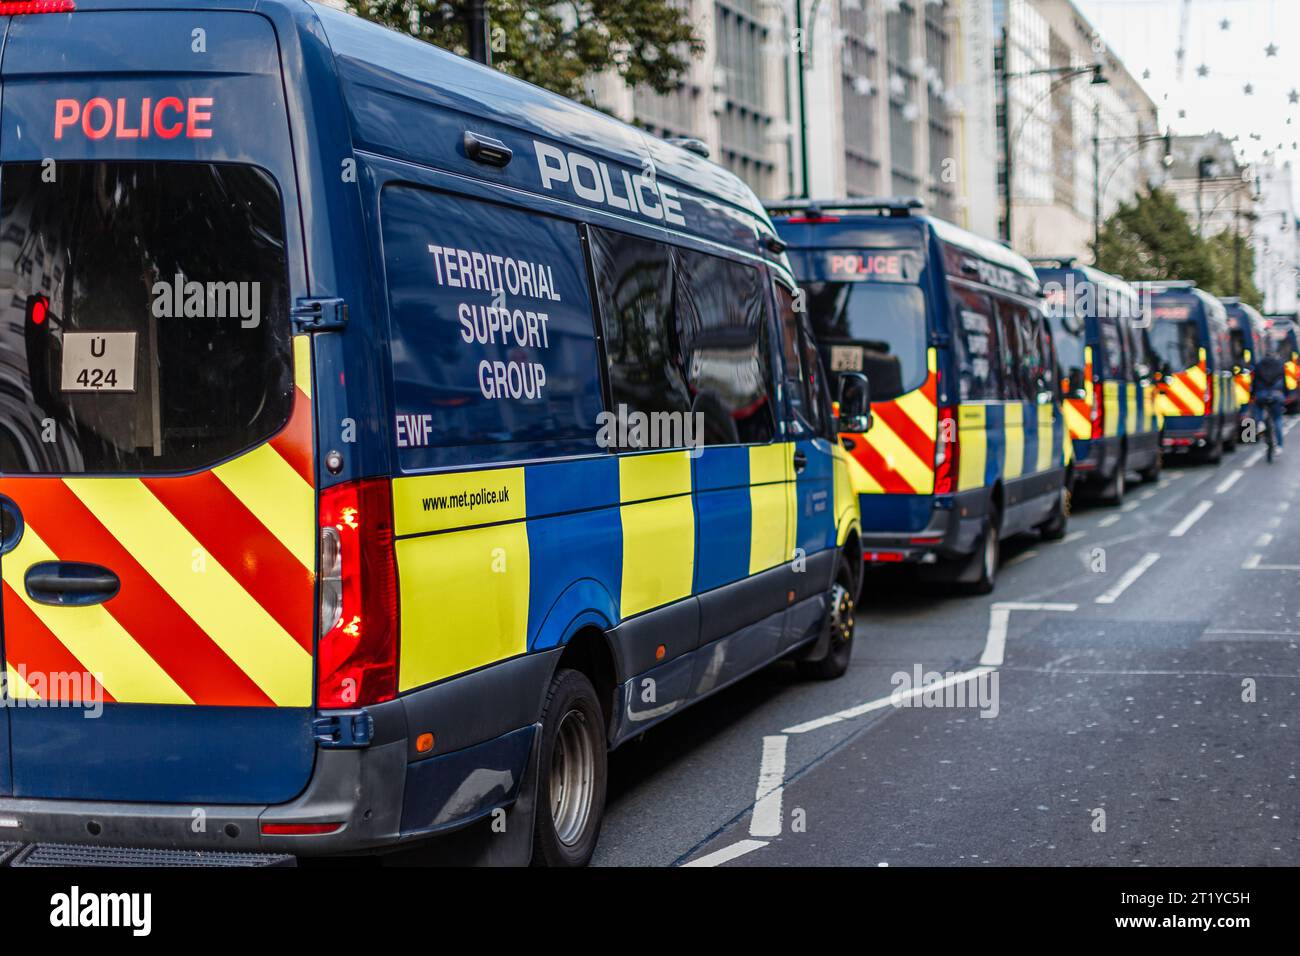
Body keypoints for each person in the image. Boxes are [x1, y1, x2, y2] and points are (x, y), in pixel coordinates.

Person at [1251, 346, 1287, 451]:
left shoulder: (1259, 365)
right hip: (1276, 394)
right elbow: (1284, 382)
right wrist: (1286, 394)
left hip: (1261, 394)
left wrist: (1252, 394)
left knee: (1258, 408)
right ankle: (1279, 446)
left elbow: (1254, 382)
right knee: (1277, 419)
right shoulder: (1280, 365)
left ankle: (1260, 423)